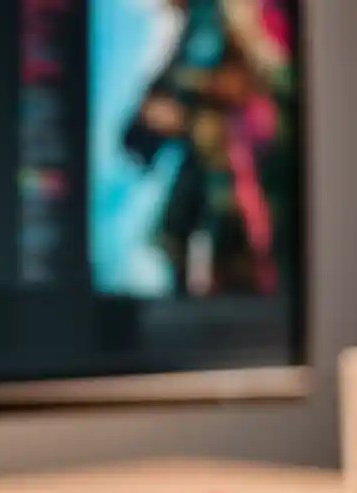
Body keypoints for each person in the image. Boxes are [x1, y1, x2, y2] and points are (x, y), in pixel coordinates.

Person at [124, 0, 292, 297]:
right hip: (204, 197)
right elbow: (140, 131)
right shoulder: (188, 29)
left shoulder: (225, 20)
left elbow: (260, 77)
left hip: (244, 197)